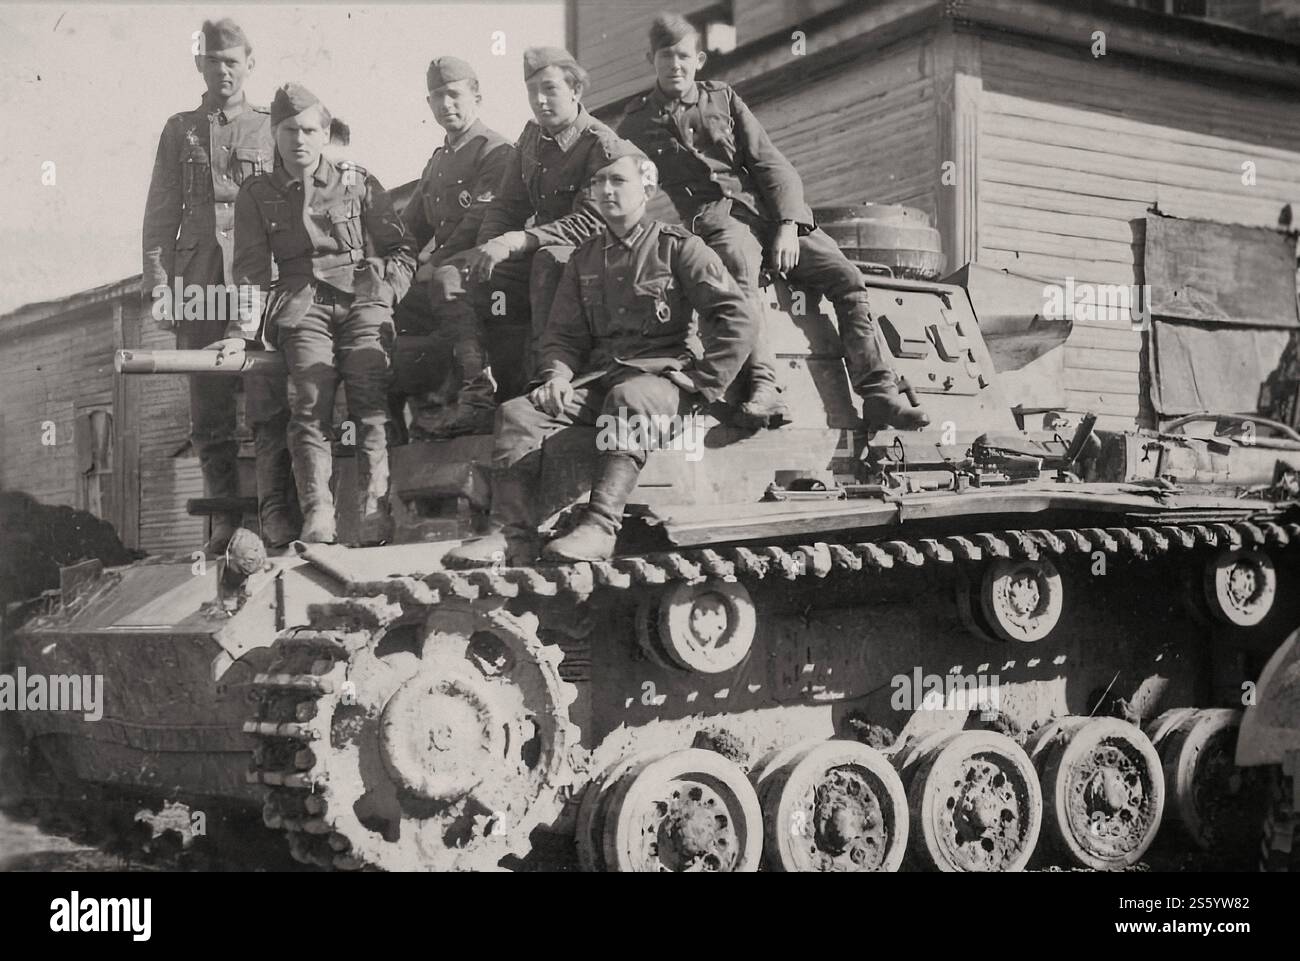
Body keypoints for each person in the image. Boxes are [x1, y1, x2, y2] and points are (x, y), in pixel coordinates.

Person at [443, 141, 756, 567]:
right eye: (599, 182)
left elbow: (736, 316)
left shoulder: (678, 247)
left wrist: (706, 383)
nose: (607, 190)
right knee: (518, 415)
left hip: (659, 384)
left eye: (618, 181)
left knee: (628, 399)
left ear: (646, 190)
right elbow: (563, 336)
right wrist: (555, 376)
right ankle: (509, 534)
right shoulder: (583, 258)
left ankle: (601, 525)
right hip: (599, 383)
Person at [617, 12, 930, 431]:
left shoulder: (723, 98)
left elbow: (771, 163)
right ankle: (764, 387)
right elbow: (611, 173)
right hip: (716, 218)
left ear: (700, 60)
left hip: (767, 212)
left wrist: (787, 225)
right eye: (665, 57)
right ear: (649, 60)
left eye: (683, 56)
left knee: (847, 277)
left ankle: (878, 392)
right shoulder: (637, 121)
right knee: (738, 272)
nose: (675, 65)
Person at [220, 83, 415, 545]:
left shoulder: (358, 181)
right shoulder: (257, 193)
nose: (299, 140)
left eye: (309, 130)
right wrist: (240, 331)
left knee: (370, 400)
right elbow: (248, 270)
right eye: (289, 130)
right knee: (310, 404)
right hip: (301, 301)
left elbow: (402, 250)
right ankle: (319, 514)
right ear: (274, 133)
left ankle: (373, 509)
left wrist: (387, 294)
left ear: (325, 133)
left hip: (363, 299)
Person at [141, 18, 297, 551]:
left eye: (233, 60)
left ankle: (275, 512)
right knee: (208, 413)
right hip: (198, 282)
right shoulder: (179, 128)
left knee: (267, 403)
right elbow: (161, 214)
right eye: (213, 60)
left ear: (249, 63)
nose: (223, 70)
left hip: (259, 278)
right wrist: (161, 286)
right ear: (200, 65)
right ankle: (228, 522)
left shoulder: (271, 125)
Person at [462, 46, 624, 380]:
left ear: (575, 90)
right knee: (484, 280)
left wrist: (519, 239)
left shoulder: (600, 144)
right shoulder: (532, 139)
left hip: (597, 257)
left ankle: (549, 376)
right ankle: (501, 391)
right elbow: (507, 204)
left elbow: (591, 221)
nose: (540, 100)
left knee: (548, 261)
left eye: (549, 89)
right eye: (532, 92)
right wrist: (489, 248)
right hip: (539, 247)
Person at [393, 56, 515, 439]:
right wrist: (389, 265)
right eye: (436, 97)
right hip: (450, 267)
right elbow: (409, 226)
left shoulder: (495, 151)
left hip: (494, 264)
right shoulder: (438, 162)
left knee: (444, 280)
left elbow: (478, 222)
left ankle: (479, 390)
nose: (446, 104)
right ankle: (414, 412)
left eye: (453, 94)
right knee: (385, 298)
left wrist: (435, 261)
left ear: (476, 95)